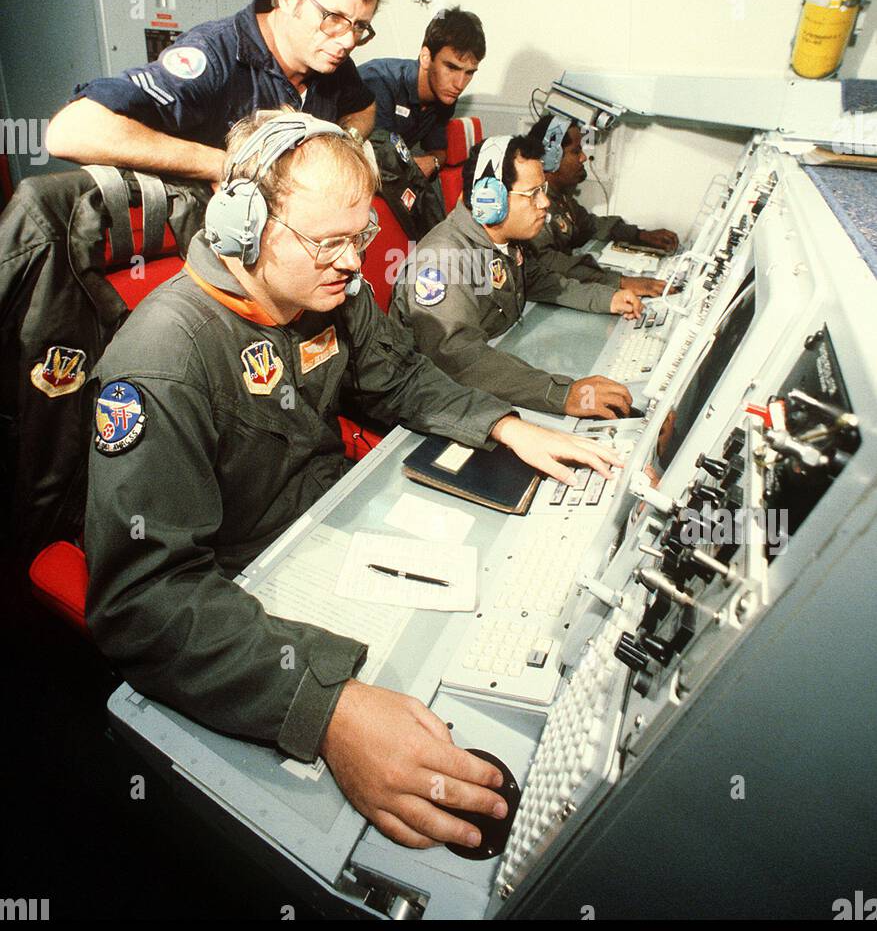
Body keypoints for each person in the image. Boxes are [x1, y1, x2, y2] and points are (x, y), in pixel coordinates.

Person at [84, 109, 622, 852]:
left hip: (336, 524)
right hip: (244, 592)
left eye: (360, 238)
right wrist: (324, 708)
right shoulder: (164, 360)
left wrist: (503, 423)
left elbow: (398, 377)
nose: (351, 263)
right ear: (242, 224)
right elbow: (141, 601)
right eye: (327, 242)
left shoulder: (328, 294)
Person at [45, 0, 388, 184]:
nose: (347, 41)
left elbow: (364, 107)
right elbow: (71, 131)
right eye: (334, 18)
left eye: (359, 27)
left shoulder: (330, 58)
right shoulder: (214, 55)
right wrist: (226, 164)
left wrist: (344, 144)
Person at [389, 133, 639, 420]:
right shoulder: (443, 261)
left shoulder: (501, 241)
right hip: (437, 400)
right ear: (489, 199)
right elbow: (460, 359)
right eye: (532, 193)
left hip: (494, 362)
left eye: (542, 189)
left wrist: (609, 298)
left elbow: (538, 280)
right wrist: (561, 393)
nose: (545, 202)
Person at [358, 7, 485, 238]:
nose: (459, 83)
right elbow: (384, 161)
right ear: (426, 57)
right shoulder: (380, 82)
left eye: (469, 73)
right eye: (452, 67)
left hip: (391, 180)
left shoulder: (445, 97)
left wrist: (433, 162)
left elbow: (440, 152)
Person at [527, 116, 679, 294]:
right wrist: (620, 281)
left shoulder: (560, 197)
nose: (583, 158)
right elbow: (550, 263)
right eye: (576, 151)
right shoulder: (535, 205)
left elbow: (590, 225)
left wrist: (640, 235)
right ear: (550, 158)